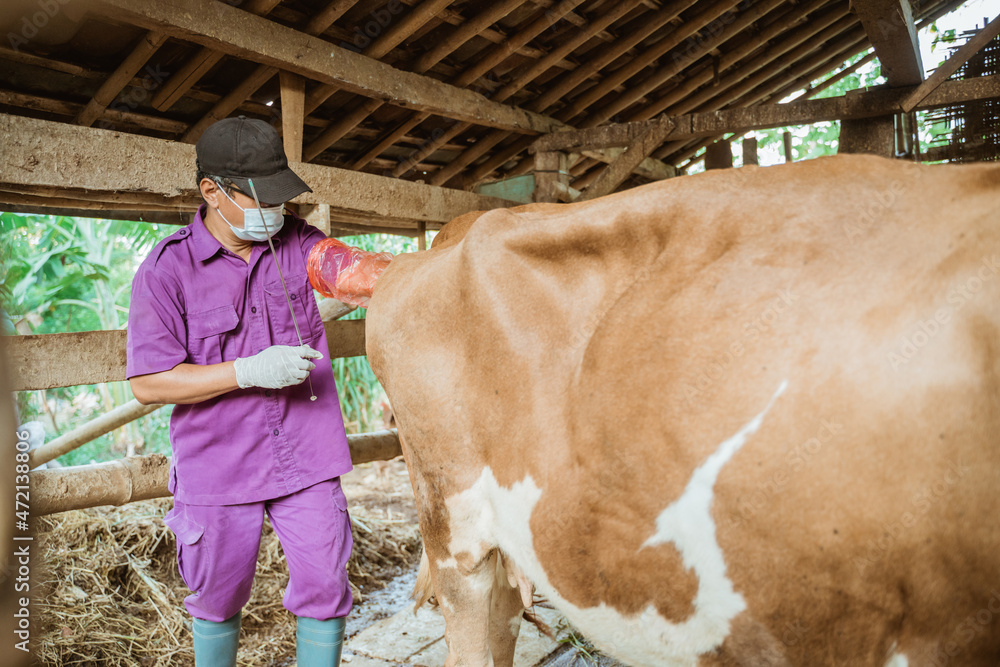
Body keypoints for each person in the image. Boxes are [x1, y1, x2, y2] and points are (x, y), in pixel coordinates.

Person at [126, 116, 368, 667]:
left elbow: (348, 270)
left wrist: (406, 272)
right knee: (217, 598)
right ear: (211, 191)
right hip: (219, 466)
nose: (275, 210)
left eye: (280, 197)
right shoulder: (166, 270)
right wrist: (245, 371)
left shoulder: (298, 242)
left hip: (306, 456)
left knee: (326, 584)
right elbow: (148, 382)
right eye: (261, 198)